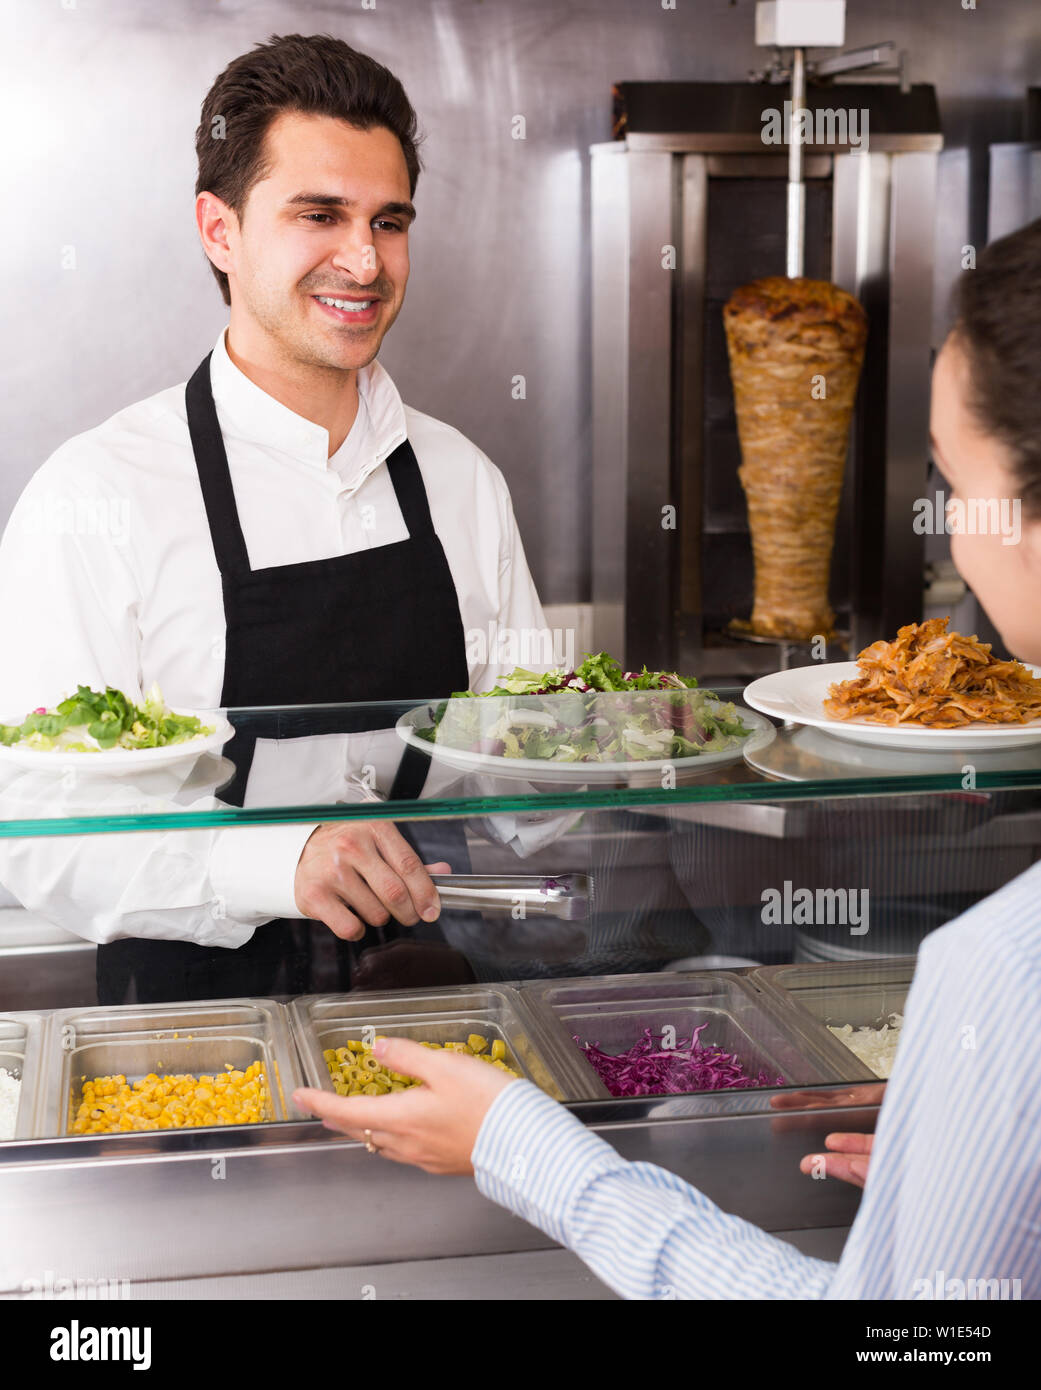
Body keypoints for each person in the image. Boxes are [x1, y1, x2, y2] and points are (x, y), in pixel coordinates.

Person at [294, 217, 1041, 1299]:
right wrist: (971, 1153)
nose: (953, 537)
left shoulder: (1006, 970)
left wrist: (519, 1143)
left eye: (952, 482)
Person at [0, 34, 548, 1002]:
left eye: (389, 220)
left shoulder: (464, 482)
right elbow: (42, 827)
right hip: (190, 1038)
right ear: (220, 230)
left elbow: (534, 786)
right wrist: (277, 867)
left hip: (431, 1014)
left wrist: (629, 752)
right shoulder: (97, 495)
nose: (364, 260)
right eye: (320, 215)